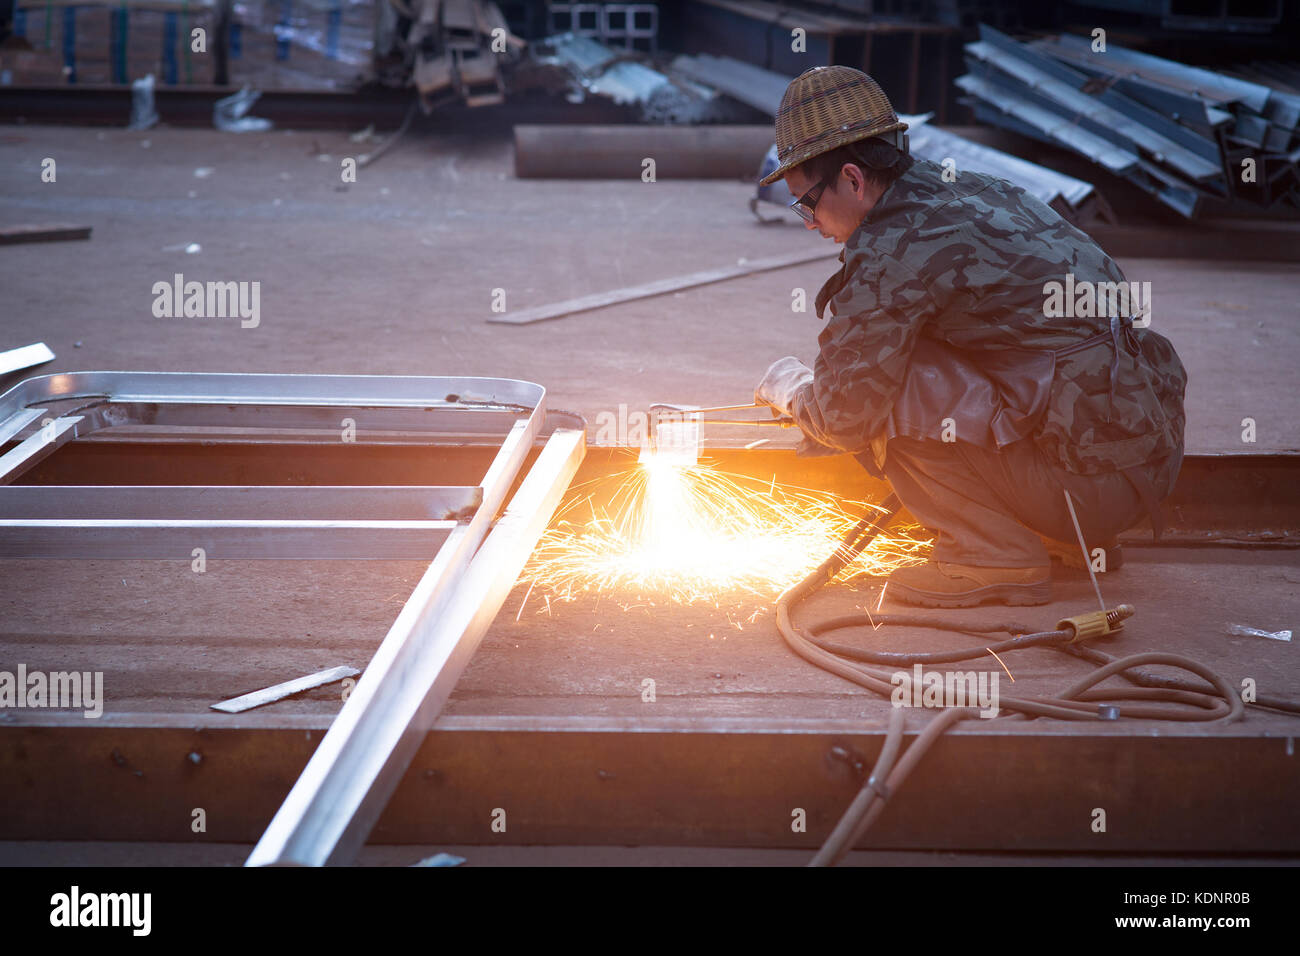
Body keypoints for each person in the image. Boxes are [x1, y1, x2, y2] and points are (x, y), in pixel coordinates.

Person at [753, 65, 1187, 608]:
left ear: (853, 179)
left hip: (1087, 491)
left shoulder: (892, 252)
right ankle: (1068, 540)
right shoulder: (975, 189)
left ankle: (991, 555)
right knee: (945, 352)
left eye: (805, 201)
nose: (808, 222)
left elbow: (844, 415)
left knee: (888, 384)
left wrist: (789, 389)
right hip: (1143, 471)